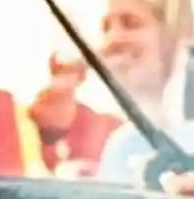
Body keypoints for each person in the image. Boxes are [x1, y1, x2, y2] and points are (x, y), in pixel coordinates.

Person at [93, 0, 194, 182]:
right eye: (106, 27)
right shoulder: (121, 146)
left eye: (131, 23)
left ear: (175, 33)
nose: (112, 39)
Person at [27, 50, 122, 178]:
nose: (65, 79)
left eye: (72, 73)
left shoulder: (89, 117)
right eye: (60, 72)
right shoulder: (35, 111)